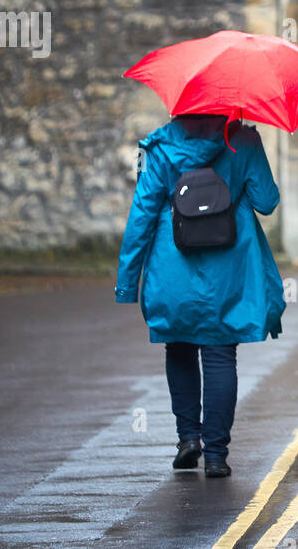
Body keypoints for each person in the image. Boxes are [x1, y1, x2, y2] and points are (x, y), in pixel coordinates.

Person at [115, 114, 285, 478]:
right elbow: (266, 201)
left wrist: (127, 283)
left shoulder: (159, 148)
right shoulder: (244, 141)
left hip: (173, 266)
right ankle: (216, 455)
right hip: (229, 268)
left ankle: (188, 438)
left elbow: (142, 214)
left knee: (178, 345)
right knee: (220, 354)